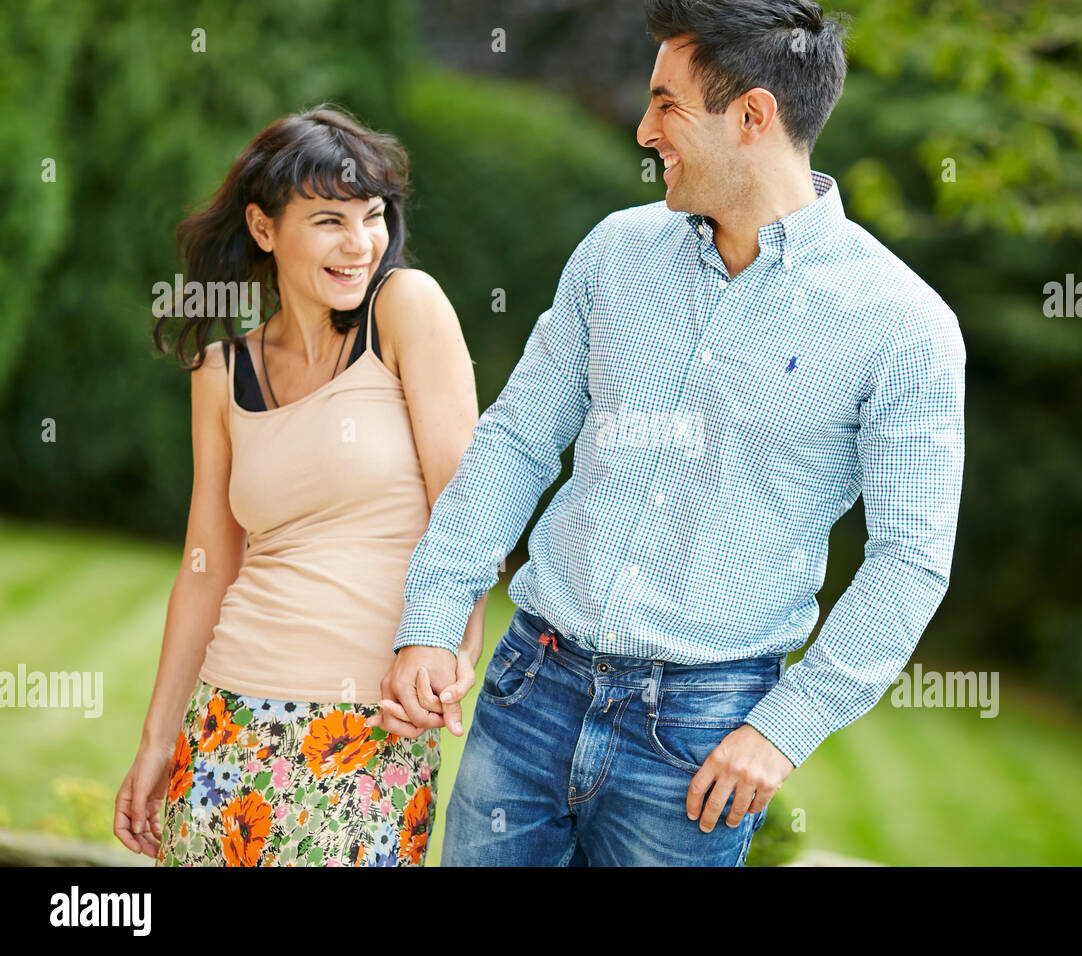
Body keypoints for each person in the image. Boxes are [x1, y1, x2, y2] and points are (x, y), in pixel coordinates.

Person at [370, 0, 966, 866]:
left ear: (753, 115)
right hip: (530, 688)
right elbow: (519, 440)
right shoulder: (615, 252)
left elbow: (910, 561)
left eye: (668, 103)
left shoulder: (902, 326)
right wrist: (432, 611)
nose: (645, 129)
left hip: (698, 740)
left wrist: (784, 729)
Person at [114, 104, 485, 866]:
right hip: (226, 722)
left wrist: (447, 657)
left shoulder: (407, 309)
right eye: (328, 221)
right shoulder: (221, 370)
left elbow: (469, 506)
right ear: (262, 228)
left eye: (372, 217)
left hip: (369, 725)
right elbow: (207, 563)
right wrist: (158, 740)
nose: (360, 245)